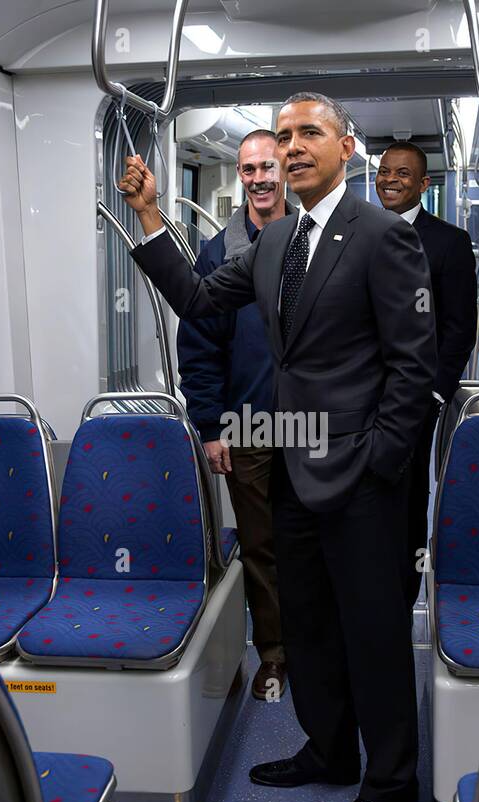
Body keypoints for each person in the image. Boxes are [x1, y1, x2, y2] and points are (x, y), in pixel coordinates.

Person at [120, 92, 436, 802]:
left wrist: (379, 467)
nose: (293, 148)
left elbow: (411, 369)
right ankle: (327, 750)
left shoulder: (382, 236)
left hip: (360, 478)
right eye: (285, 135)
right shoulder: (276, 242)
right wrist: (151, 218)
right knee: (309, 624)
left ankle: (389, 782)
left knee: (375, 633)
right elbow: (198, 300)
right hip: (291, 467)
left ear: (346, 147)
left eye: (309, 134)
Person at [176, 129, 292, 700]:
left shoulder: (317, 239)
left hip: (318, 428)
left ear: (285, 170)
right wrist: (212, 425)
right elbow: (200, 345)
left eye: (268, 167)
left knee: (320, 540)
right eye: (249, 170)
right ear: (240, 177)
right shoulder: (220, 250)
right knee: (261, 544)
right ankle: (273, 652)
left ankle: (322, 646)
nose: (260, 179)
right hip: (248, 424)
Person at [374, 142, 478, 609]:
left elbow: (460, 331)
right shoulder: (361, 233)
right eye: (383, 172)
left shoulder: (448, 243)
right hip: (357, 397)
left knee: (409, 496)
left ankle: (401, 596)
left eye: (401, 173)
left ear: (423, 184)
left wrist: (435, 396)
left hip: (416, 400)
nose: (389, 180)